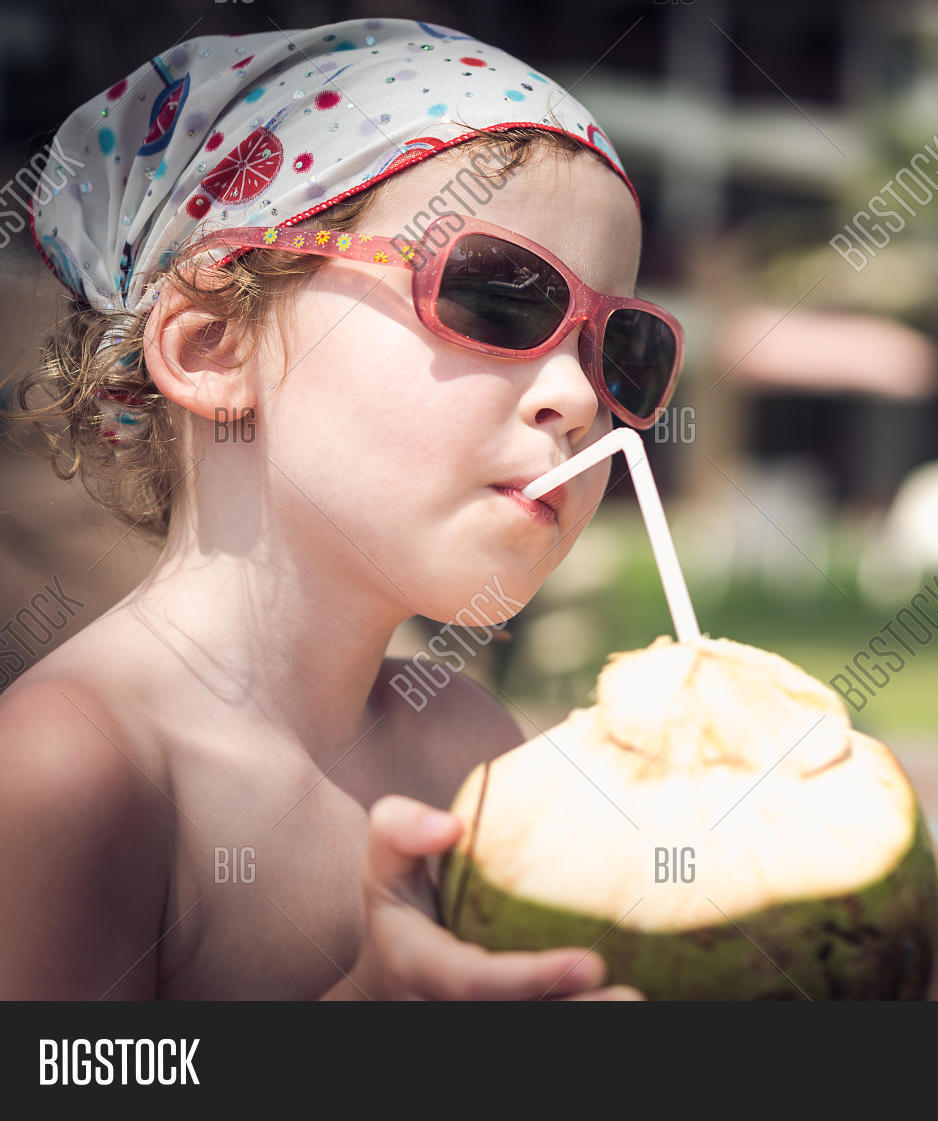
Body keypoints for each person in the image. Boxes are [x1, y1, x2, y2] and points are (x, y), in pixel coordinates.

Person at [0, 18, 683, 999]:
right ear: (212, 345)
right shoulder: (79, 765)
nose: (580, 400)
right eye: (498, 296)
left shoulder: (467, 747)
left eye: (622, 350)